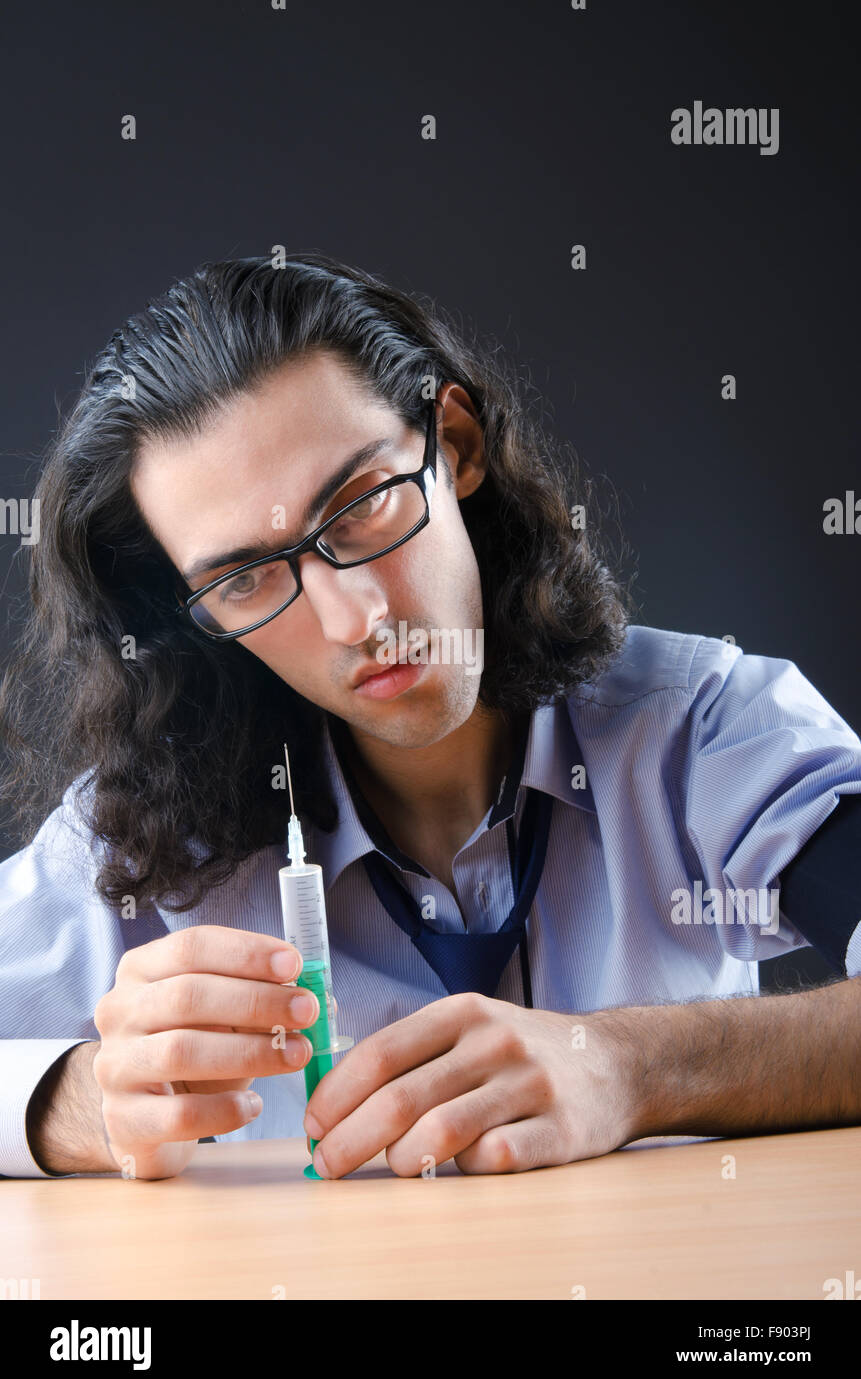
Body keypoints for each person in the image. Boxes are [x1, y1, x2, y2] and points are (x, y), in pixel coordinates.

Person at [1, 252, 859, 1183]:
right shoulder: (143, 826)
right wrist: (77, 1100)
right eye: (245, 578)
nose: (354, 619)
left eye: (363, 504)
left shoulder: (699, 728)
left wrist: (628, 1066)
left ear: (453, 443)